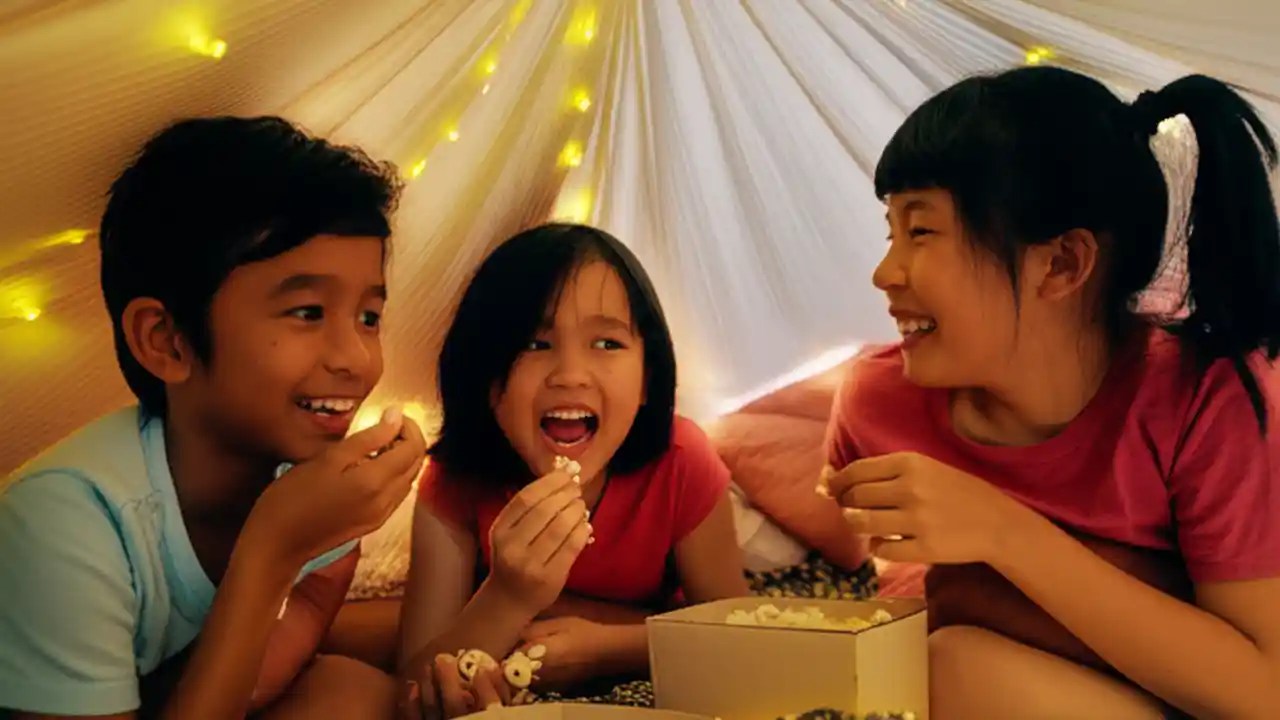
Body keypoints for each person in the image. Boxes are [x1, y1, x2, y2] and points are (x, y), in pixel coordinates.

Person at [820, 66, 1280, 719]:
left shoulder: (1211, 398)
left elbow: (1263, 694)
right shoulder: (875, 400)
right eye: (890, 232)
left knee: (956, 667)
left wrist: (1002, 533)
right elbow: (913, 611)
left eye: (921, 232)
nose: (884, 273)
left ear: (1061, 263)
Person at [0, 116, 427, 719]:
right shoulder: (65, 522)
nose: (356, 359)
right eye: (307, 312)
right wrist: (273, 550)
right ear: (167, 342)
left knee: (350, 691)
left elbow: (302, 617)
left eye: (368, 317)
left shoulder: (322, 482)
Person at [398, 223, 747, 718]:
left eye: (607, 343)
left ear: (648, 377)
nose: (570, 374)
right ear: (483, 376)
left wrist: (611, 647)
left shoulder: (681, 460)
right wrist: (508, 595)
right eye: (535, 345)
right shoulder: (454, 479)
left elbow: (741, 633)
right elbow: (413, 689)